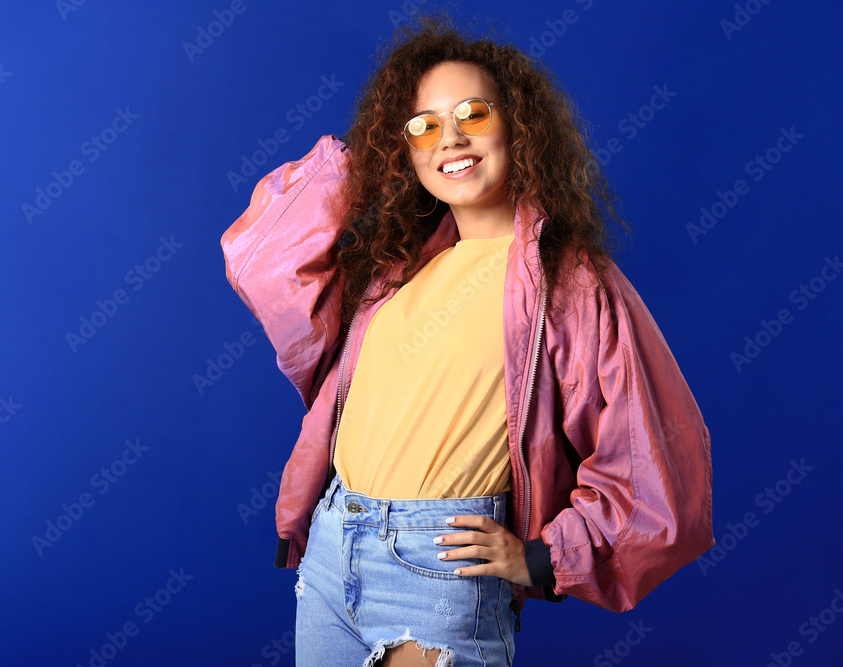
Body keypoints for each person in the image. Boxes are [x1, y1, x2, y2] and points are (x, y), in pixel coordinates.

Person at [221, 15, 714, 667]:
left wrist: (540, 557)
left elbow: (659, 464)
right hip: (334, 543)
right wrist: (358, 160)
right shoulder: (398, 273)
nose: (448, 136)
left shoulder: (569, 283)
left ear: (519, 124)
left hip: (433, 567)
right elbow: (263, 263)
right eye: (422, 124)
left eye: (472, 114)